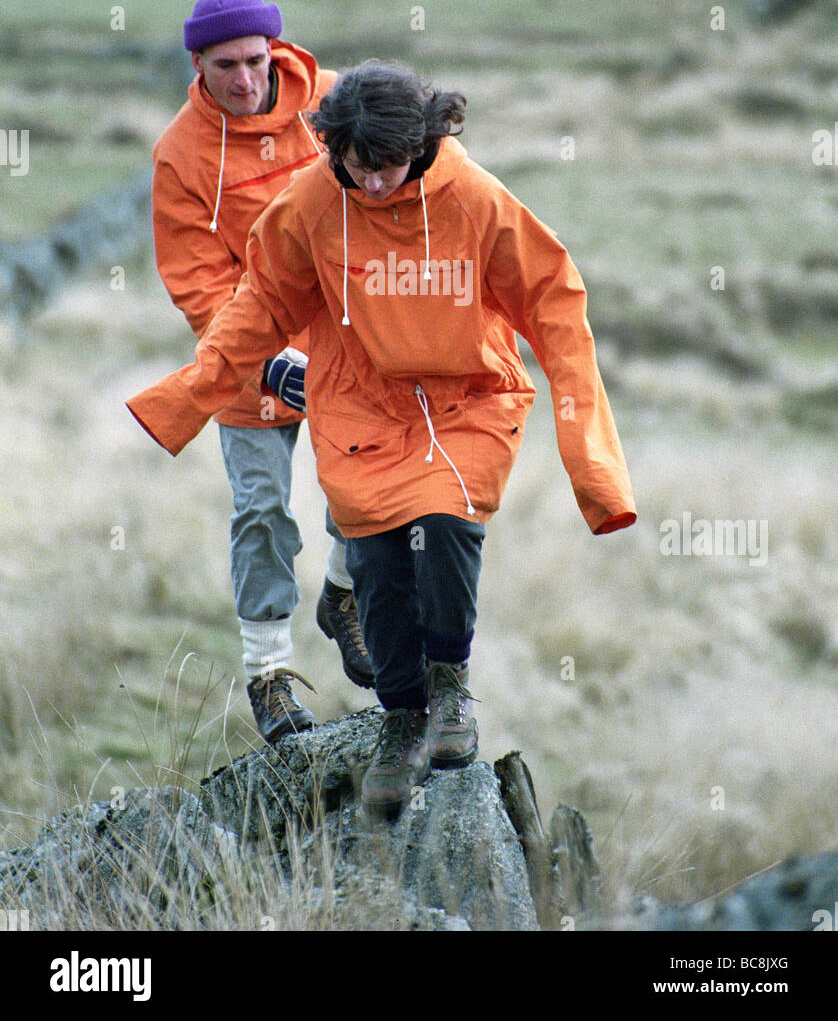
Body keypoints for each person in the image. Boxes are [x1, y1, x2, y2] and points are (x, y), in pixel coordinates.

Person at [127, 59, 636, 815]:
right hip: (360, 408)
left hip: (467, 400)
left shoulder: (476, 200)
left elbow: (555, 303)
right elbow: (258, 305)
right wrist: (189, 395)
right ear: (333, 148)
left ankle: (450, 686)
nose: (370, 183)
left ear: (422, 143)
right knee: (377, 558)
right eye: (356, 166)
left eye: (386, 166)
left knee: (446, 523)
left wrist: (591, 462)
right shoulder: (311, 203)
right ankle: (401, 719)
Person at [150, 0, 373, 747]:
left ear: (274, 51)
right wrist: (268, 361)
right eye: (226, 67)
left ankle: (343, 595)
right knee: (263, 514)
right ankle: (269, 673)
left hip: (348, 345)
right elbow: (197, 282)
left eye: (254, 61)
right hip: (250, 362)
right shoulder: (180, 154)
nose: (244, 80)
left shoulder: (336, 104)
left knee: (369, 488)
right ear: (198, 65)